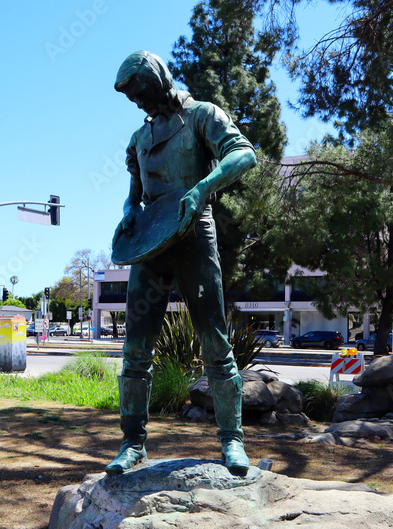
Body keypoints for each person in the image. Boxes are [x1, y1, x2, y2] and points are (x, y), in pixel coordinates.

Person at [107, 51, 257, 476]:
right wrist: (129, 212)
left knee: (215, 342)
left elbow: (244, 154)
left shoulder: (202, 116)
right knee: (135, 347)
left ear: (158, 79)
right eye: (132, 98)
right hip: (152, 243)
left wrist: (203, 188)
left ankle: (232, 441)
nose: (137, 102)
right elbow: (134, 194)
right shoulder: (139, 138)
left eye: (140, 93)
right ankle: (132, 443)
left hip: (194, 235)